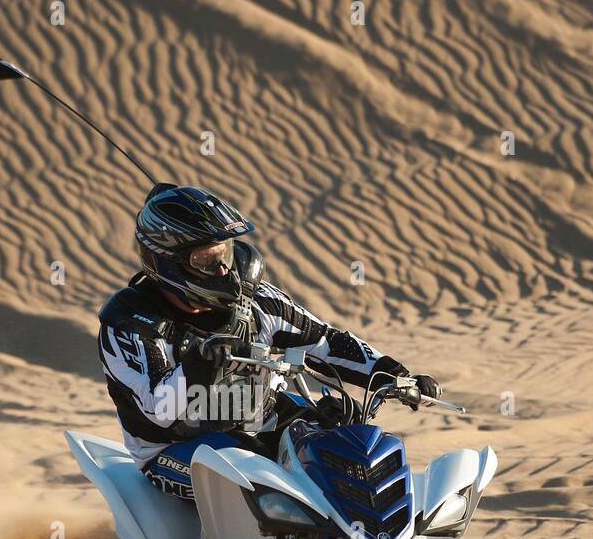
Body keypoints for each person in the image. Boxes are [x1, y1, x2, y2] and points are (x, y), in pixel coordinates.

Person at [97, 182, 442, 504]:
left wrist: (393, 374)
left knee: (346, 445)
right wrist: (202, 362)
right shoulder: (129, 322)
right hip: (173, 447)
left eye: (224, 254)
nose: (222, 270)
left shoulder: (257, 300)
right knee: (244, 485)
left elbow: (326, 341)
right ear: (166, 260)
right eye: (205, 260)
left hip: (257, 415)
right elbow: (160, 410)